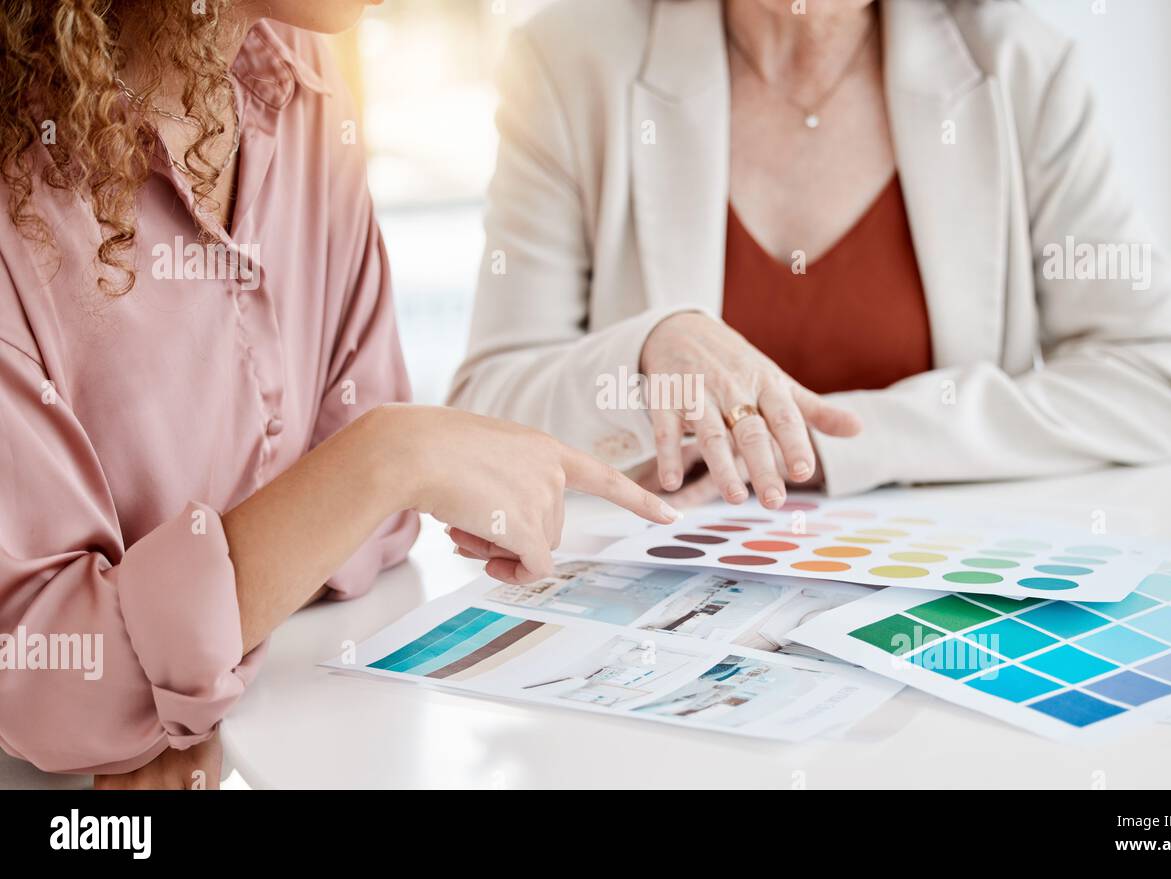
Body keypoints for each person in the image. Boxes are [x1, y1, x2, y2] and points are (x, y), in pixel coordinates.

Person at [0, 0, 677, 789]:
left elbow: (374, 528)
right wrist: (389, 456)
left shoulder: (307, 85)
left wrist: (178, 684)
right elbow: (44, 678)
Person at [449, 0, 1171, 515]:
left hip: (942, 618)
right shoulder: (568, 63)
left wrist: (839, 438)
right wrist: (643, 354)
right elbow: (482, 411)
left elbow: (1159, 382)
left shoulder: (1019, 69)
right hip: (662, 630)